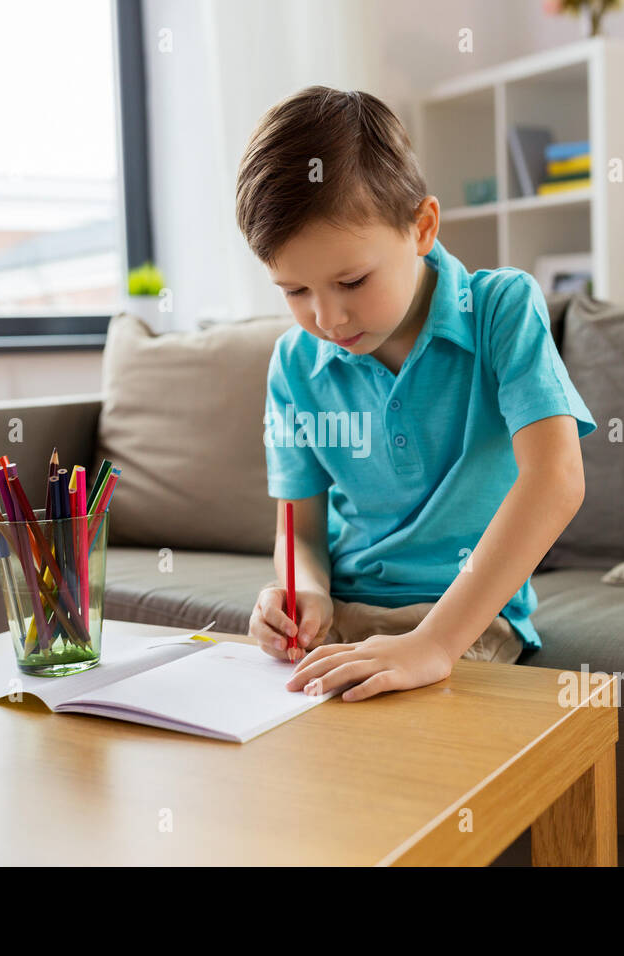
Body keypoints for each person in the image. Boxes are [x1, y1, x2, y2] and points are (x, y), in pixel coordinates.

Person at [235, 86, 596, 702]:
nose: (327, 317)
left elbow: (556, 479)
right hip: (344, 616)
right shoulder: (294, 365)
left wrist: (432, 642)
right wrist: (303, 592)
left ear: (421, 227)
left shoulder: (501, 311)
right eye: (294, 290)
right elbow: (298, 529)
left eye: (351, 280)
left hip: (461, 620)